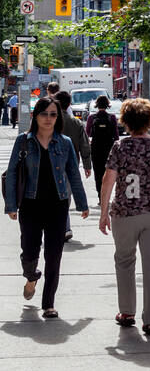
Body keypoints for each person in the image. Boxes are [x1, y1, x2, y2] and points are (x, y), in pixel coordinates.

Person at [4, 96, 89, 317]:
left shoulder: (64, 143)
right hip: (30, 206)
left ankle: (49, 303)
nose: (49, 119)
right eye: (44, 114)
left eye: (53, 114)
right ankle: (31, 277)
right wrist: (11, 205)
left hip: (57, 206)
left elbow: (73, 174)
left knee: (54, 255)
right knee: (29, 251)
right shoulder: (24, 141)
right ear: (35, 116)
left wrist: (82, 203)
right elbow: (12, 173)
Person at [99, 98, 150, 334]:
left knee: (124, 261)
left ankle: (127, 312)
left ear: (125, 122)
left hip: (125, 212)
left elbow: (108, 180)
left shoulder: (120, 147)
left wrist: (104, 213)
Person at [54, 90, 93, 242]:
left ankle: (62, 227)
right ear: (69, 104)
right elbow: (85, 145)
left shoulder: (49, 120)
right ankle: (65, 227)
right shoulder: (76, 122)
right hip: (71, 164)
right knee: (66, 197)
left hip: (50, 164)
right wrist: (87, 165)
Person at [85, 95, 120, 196]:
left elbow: (86, 134)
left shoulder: (92, 117)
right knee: (108, 172)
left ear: (97, 105)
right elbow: (116, 136)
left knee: (98, 173)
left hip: (96, 147)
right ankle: (107, 195)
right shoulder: (112, 117)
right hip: (109, 148)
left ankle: (100, 196)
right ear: (107, 105)